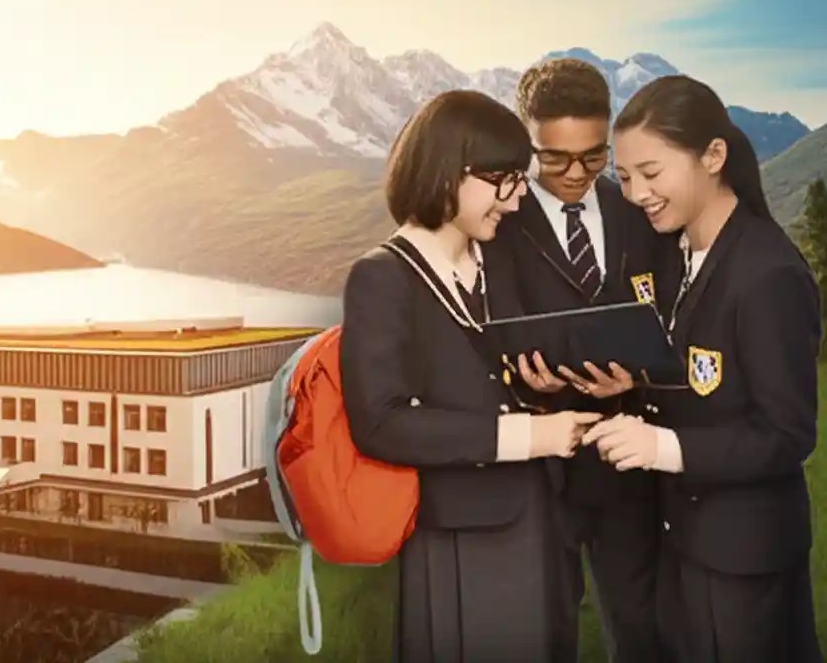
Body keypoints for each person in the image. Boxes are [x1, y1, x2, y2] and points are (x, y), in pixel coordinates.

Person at [340, 88, 602, 662]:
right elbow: (379, 422)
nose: (513, 201)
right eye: (500, 181)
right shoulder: (382, 278)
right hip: (461, 532)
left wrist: (539, 389)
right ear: (447, 170)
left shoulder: (498, 258)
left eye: (518, 181)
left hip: (541, 518)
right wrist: (531, 436)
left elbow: (491, 375)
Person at [583, 74, 822, 662]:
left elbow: (786, 434)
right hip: (687, 544)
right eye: (626, 176)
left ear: (713, 155)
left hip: (742, 560)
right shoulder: (688, 253)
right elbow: (711, 379)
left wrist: (661, 447)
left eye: (652, 173)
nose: (637, 193)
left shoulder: (767, 275)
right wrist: (637, 384)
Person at [487, 58, 669, 662]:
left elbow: (666, 320)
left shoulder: (637, 214)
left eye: (593, 157)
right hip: (539, 472)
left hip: (625, 464)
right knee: (539, 630)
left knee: (640, 625)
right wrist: (527, 389)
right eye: (554, 158)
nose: (575, 174)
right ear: (526, 140)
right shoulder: (497, 226)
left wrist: (635, 377)